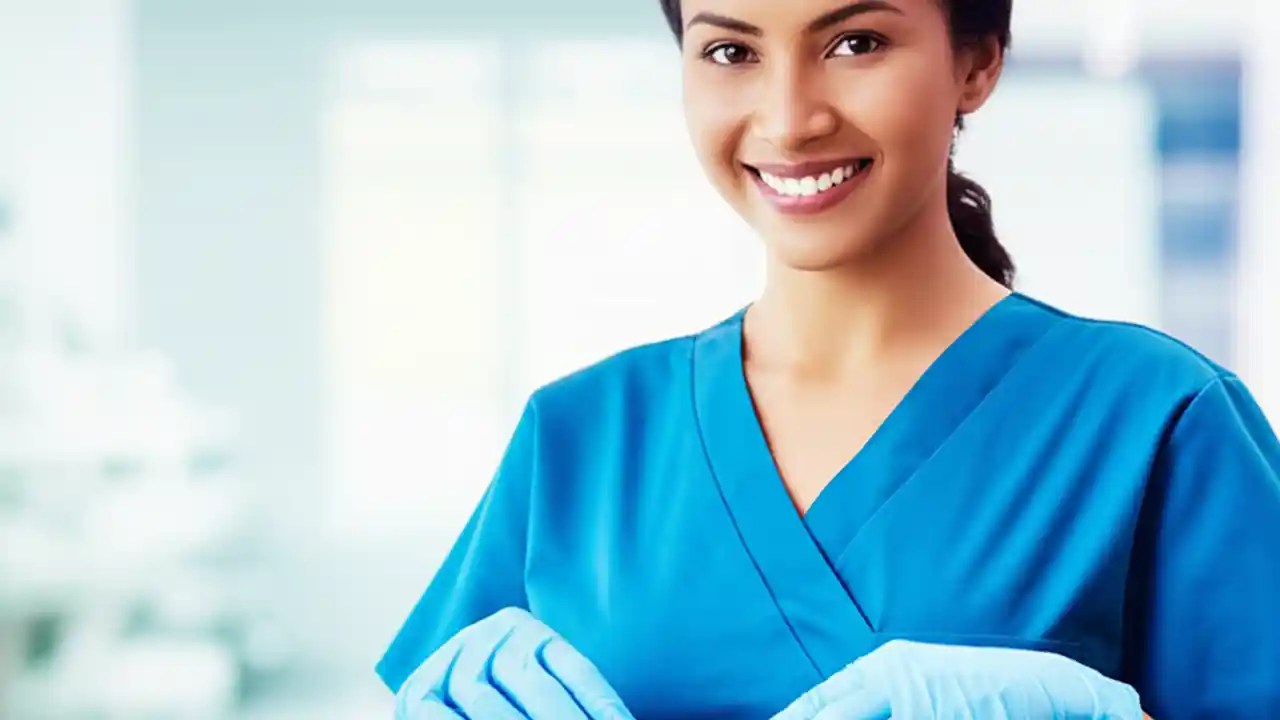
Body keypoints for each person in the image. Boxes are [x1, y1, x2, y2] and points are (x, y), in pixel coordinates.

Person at [376, 0, 1280, 717]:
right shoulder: (582, 434)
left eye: (856, 42)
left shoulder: (1158, 419)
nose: (789, 120)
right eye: (731, 51)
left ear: (976, 62)